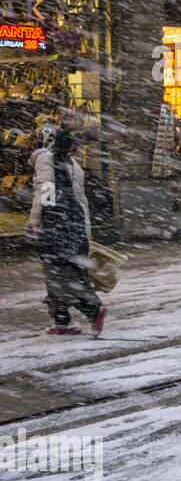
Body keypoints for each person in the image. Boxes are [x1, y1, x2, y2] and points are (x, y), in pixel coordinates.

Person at [28, 129, 106, 337]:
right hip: (73, 222)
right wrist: (86, 230)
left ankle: (92, 310)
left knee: (58, 272)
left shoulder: (44, 158)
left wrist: (35, 221)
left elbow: (45, 192)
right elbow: (82, 201)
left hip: (55, 223)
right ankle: (62, 320)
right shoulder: (74, 165)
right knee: (66, 270)